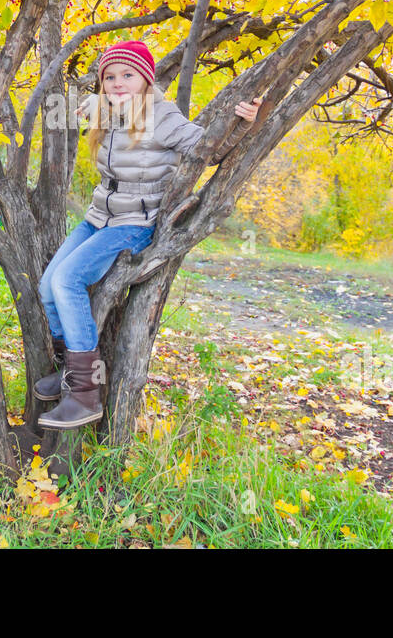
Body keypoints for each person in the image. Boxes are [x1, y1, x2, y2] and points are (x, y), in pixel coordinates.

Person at [35, 39, 263, 429]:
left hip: (134, 225)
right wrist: (91, 104)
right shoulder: (108, 109)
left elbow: (210, 148)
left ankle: (86, 394)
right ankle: (70, 369)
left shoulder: (163, 115)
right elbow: (95, 104)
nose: (118, 83)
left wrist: (246, 121)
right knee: (46, 286)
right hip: (99, 217)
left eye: (127, 75)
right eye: (110, 77)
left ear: (145, 78)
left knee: (69, 280)